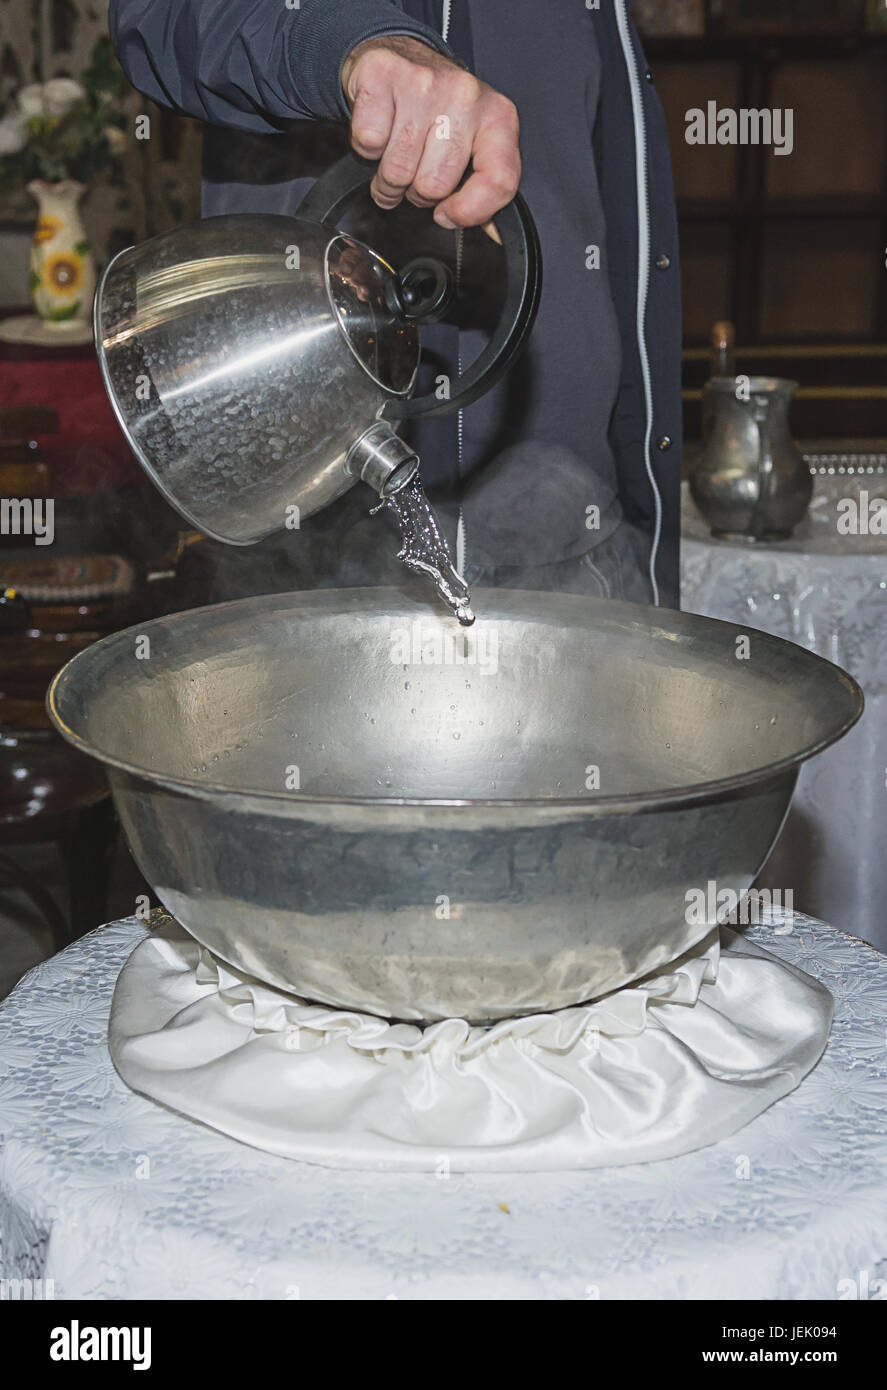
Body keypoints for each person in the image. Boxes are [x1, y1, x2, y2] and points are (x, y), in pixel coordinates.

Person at [109, 0, 682, 608]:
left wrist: (649, 533)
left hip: (578, 538)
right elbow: (155, 17)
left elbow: (625, 219)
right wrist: (346, 44)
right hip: (308, 547)